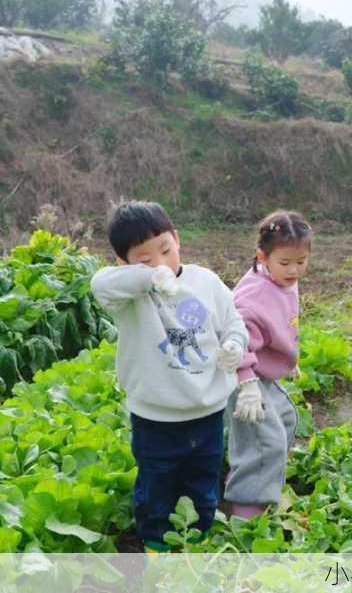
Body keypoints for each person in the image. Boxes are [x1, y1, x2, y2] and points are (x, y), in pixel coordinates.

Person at [90, 200, 248, 552]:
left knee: (203, 480)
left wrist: (235, 344)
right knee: (156, 485)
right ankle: (157, 546)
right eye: (145, 258)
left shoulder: (205, 281)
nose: (161, 261)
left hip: (207, 413)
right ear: (124, 263)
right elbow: (99, 284)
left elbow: (233, 321)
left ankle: (200, 540)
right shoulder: (129, 295)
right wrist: (150, 277)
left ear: (177, 239)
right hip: (156, 418)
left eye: (166, 249)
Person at [224, 209, 312, 520]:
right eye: (285, 263)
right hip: (242, 374)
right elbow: (234, 341)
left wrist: (291, 359)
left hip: (263, 370)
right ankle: (246, 517)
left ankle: (259, 479)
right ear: (262, 256)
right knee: (265, 441)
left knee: (285, 419)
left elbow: (282, 325)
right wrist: (246, 385)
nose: (294, 270)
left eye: (301, 262)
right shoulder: (254, 297)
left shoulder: (282, 279)